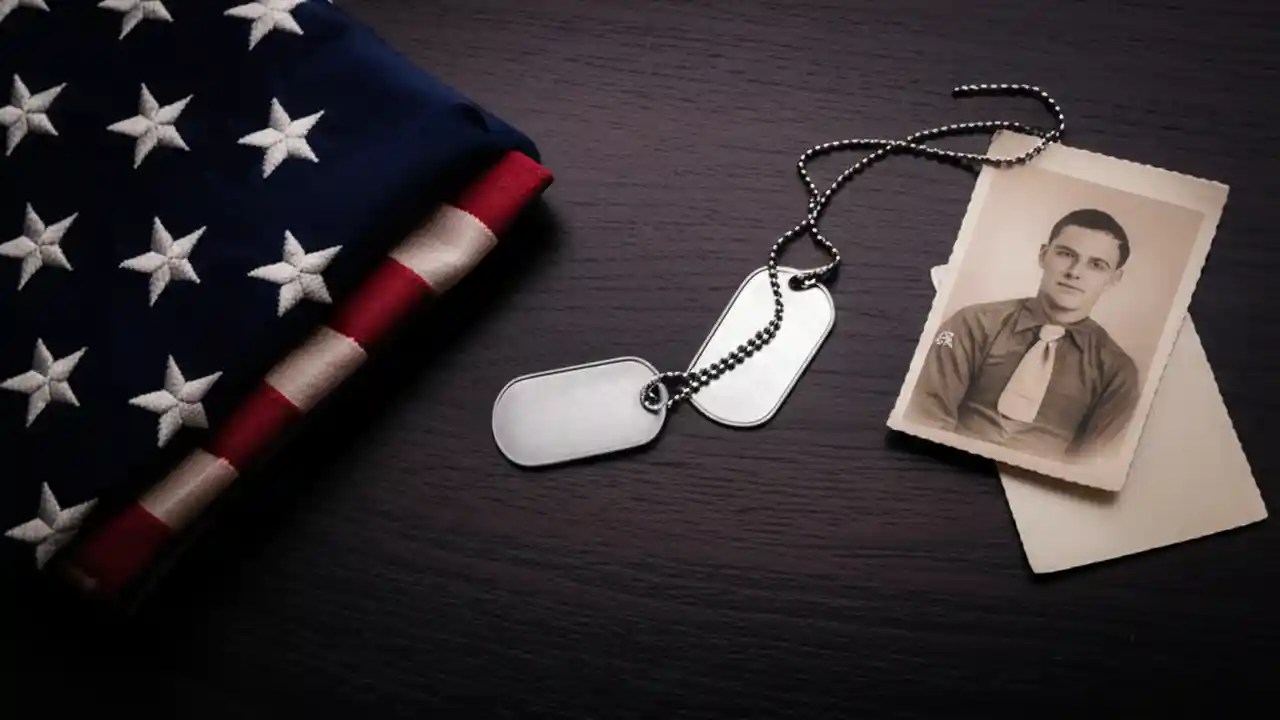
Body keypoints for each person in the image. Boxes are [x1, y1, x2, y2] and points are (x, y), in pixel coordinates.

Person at [910, 208, 1140, 460]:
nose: (1074, 271)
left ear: (1113, 279)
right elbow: (926, 418)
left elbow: (1089, 464)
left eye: (1096, 265)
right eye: (1066, 254)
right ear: (1043, 255)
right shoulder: (973, 323)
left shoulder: (1117, 371)